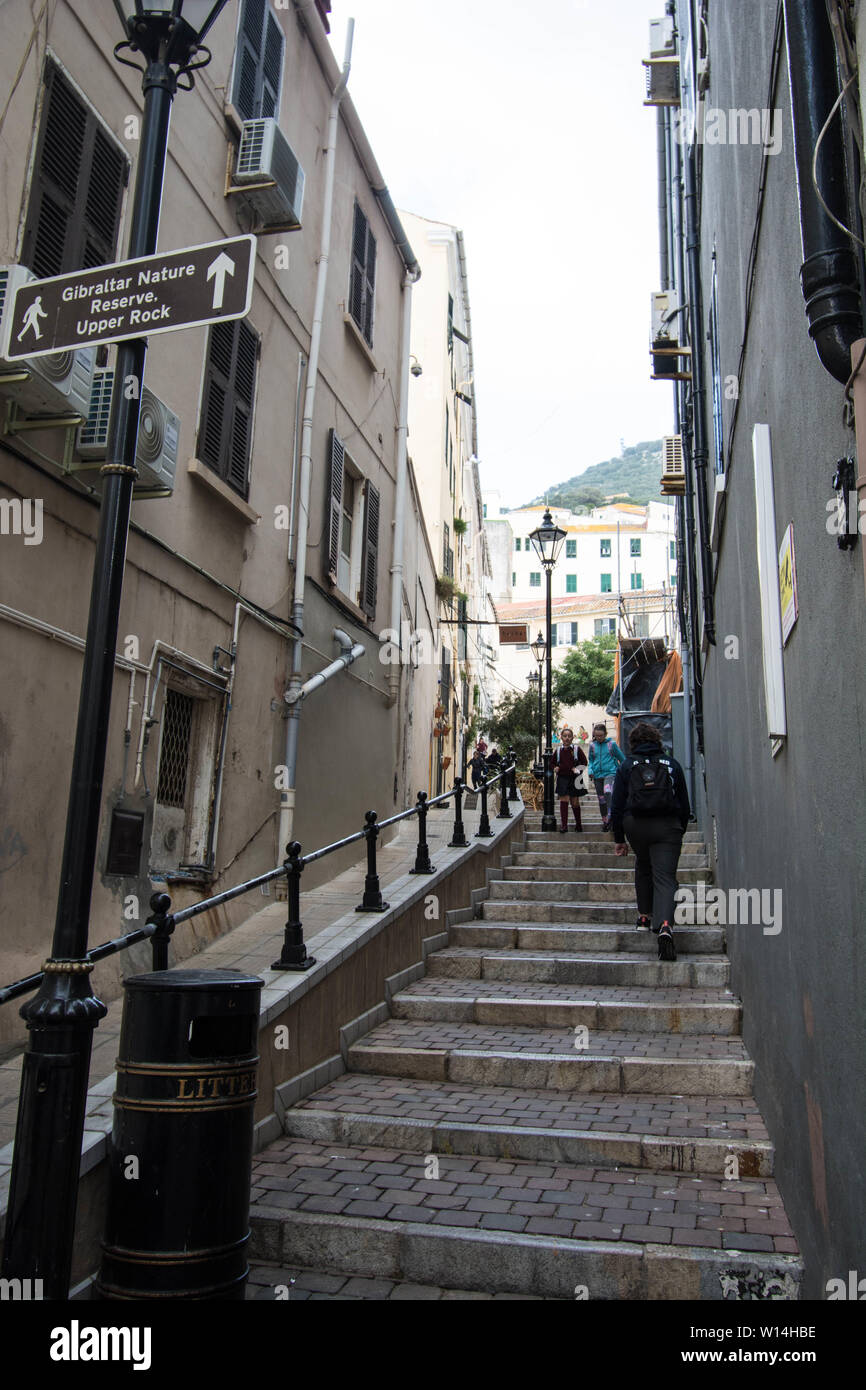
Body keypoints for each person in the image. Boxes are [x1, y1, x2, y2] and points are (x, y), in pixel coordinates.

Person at [609, 721, 691, 961]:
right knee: (665, 878)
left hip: (636, 825)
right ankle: (665, 926)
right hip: (667, 825)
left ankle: (644, 916)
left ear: (633, 743)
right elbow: (684, 803)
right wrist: (679, 830)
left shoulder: (627, 765)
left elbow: (617, 804)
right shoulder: (671, 764)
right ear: (657, 741)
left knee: (643, 865)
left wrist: (619, 838)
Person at [587, 721, 626, 830]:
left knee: (608, 792)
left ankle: (611, 817)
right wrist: (590, 770)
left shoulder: (611, 744)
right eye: (597, 736)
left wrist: (624, 771)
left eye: (601, 735)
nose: (599, 738)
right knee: (601, 799)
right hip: (597, 776)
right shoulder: (592, 746)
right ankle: (605, 820)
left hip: (610, 773)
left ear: (605, 734)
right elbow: (590, 760)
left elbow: (622, 758)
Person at [551, 725, 588, 833]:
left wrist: (577, 770)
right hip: (562, 778)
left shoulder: (577, 749)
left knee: (575, 802)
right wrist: (555, 768)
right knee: (564, 800)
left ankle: (578, 824)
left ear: (572, 738)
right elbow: (552, 763)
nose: (567, 738)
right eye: (565, 736)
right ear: (561, 737)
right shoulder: (558, 751)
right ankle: (564, 826)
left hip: (575, 779)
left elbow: (584, 762)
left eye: (569, 736)